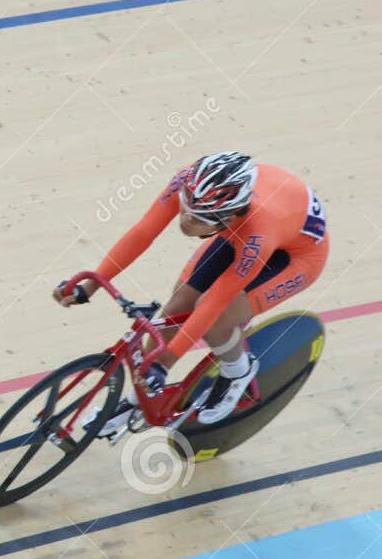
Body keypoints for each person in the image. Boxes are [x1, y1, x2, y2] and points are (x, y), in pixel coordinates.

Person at [56, 152, 329, 427]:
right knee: (176, 308)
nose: (186, 221)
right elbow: (143, 233)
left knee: (218, 320)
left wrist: (162, 364)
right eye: (185, 209)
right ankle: (141, 399)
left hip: (297, 256)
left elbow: (213, 304)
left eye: (198, 219)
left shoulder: (257, 235)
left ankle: (237, 371)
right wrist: (90, 285)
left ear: (229, 217)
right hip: (250, 227)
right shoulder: (191, 183)